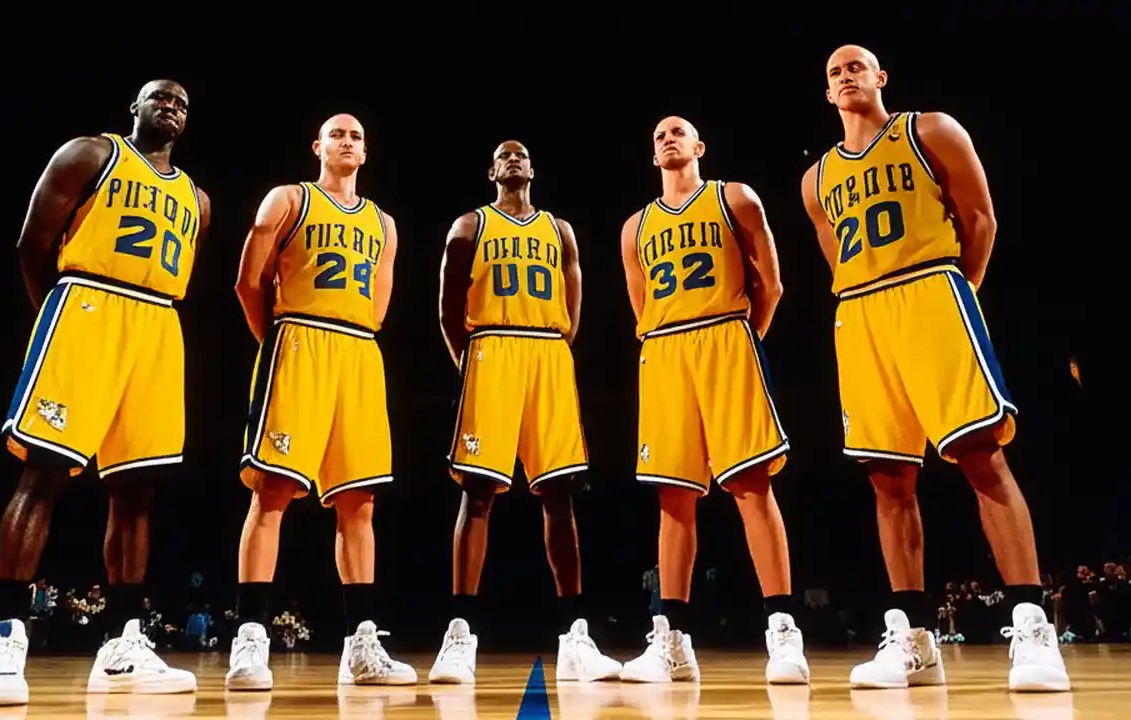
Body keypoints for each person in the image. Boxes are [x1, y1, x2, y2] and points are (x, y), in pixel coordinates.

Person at [799, 44, 1070, 692]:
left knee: (981, 457)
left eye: (856, 66)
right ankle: (915, 641)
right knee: (887, 480)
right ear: (827, 93)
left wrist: (956, 291)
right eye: (835, 72)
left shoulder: (930, 129)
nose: (846, 76)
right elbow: (835, 257)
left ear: (880, 77)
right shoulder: (816, 179)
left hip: (932, 289)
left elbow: (979, 218)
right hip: (860, 312)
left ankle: (1033, 627)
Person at [0, 79, 208, 707]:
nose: (171, 106)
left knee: (136, 492)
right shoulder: (90, 153)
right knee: (43, 474)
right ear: (135, 107)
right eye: (159, 97)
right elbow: (32, 244)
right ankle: (2, 633)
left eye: (181, 102)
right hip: (88, 304)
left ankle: (122, 644)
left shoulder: (197, 199)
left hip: (157, 324)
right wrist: (60, 314)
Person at [617, 116, 809, 685]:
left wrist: (745, 336)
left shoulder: (733, 197)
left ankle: (782, 630)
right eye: (659, 136)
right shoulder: (635, 227)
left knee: (751, 485)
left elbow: (771, 284)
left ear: (699, 146)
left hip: (727, 336)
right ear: (653, 156)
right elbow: (640, 306)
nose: (668, 139)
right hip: (665, 350)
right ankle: (672, 640)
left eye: (678, 132)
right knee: (673, 498)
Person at [225, 113, 414, 690]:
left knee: (359, 503)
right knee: (273, 492)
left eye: (356, 136)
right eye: (337, 134)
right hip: (298, 340)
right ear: (317, 147)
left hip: (358, 352)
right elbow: (248, 282)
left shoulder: (384, 223)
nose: (347, 141)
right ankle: (250, 639)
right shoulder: (288, 199)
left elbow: (378, 308)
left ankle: (361, 645)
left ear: (366, 152)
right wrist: (276, 342)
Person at [429, 140, 622, 684]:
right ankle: (460, 634)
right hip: (491, 348)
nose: (513, 160)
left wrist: (552, 351)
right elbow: (447, 310)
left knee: (559, 495)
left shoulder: (559, 230)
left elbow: (574, 310)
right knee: (477, 494)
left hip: (547, 351)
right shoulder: (470, 225)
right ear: (491, 170)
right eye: (503, 156)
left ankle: (575, 636)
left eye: (521, 155)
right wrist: (470, 362)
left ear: (532, 169)